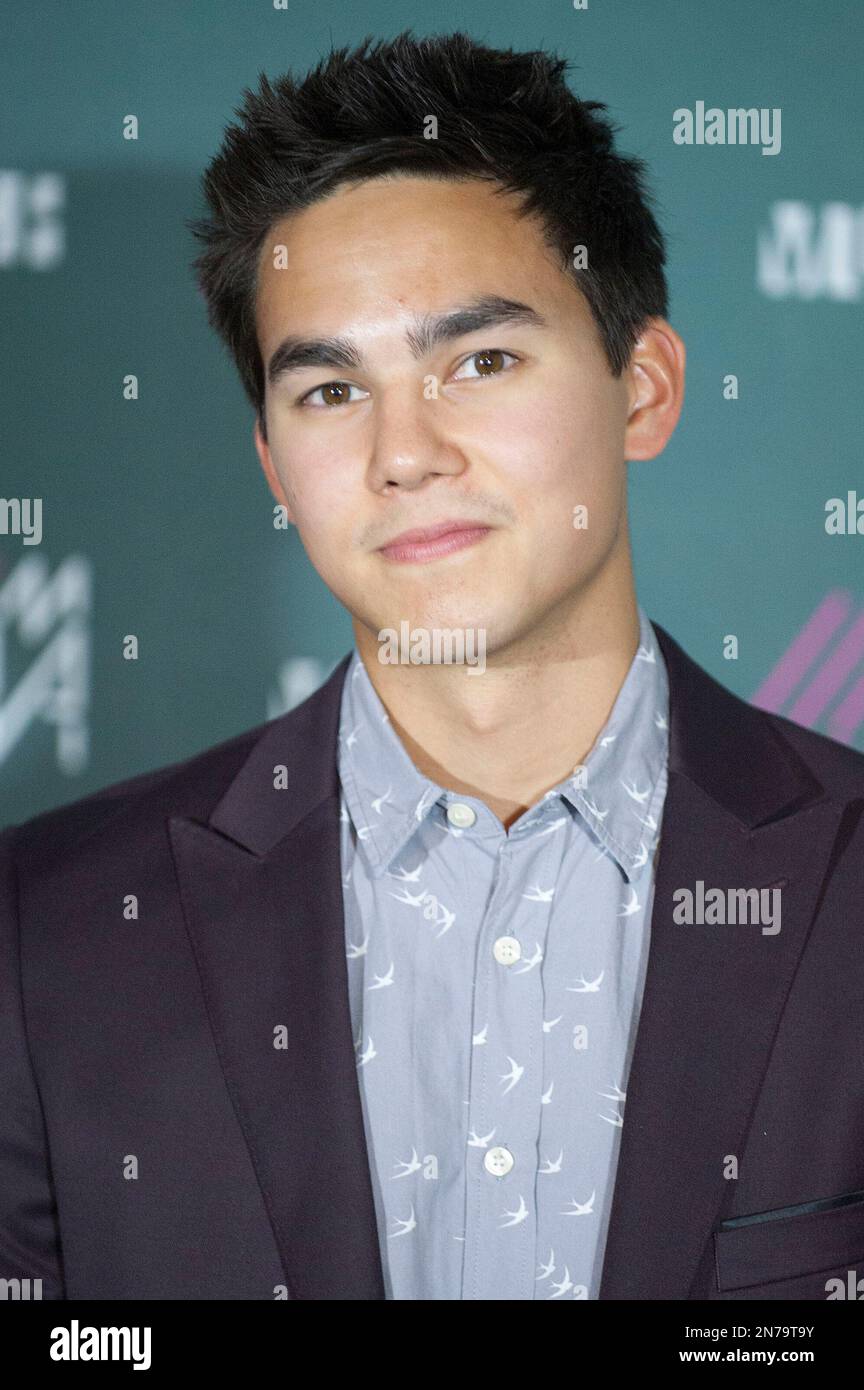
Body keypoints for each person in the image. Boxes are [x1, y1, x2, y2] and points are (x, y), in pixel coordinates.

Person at [2, 31, 863, 1303]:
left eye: (482, 361)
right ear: (273, 468)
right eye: (331, 390)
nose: (404, 452)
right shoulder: (49, 933)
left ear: (645, 389)